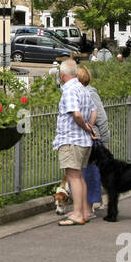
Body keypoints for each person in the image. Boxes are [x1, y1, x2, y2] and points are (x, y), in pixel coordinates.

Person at [53, 58, 96, 226]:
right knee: (79, 176)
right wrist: (90, 127)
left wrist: (85, 127)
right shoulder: (82, 88)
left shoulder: (69, 90)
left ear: (62, 74)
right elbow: (94, 110)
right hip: (84, 141)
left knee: (73, 177)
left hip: (72, 139)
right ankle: (84, 210)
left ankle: (78, 214)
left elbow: (76, 114)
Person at [77, 64, 111, 215]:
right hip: (79, 138)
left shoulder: (90, 93)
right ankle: (82, 207)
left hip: (92, 138)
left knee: (89, 173)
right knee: (81, 173)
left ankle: (89, 207)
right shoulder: (77, 93)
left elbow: (102, 119)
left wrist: (105, 142)